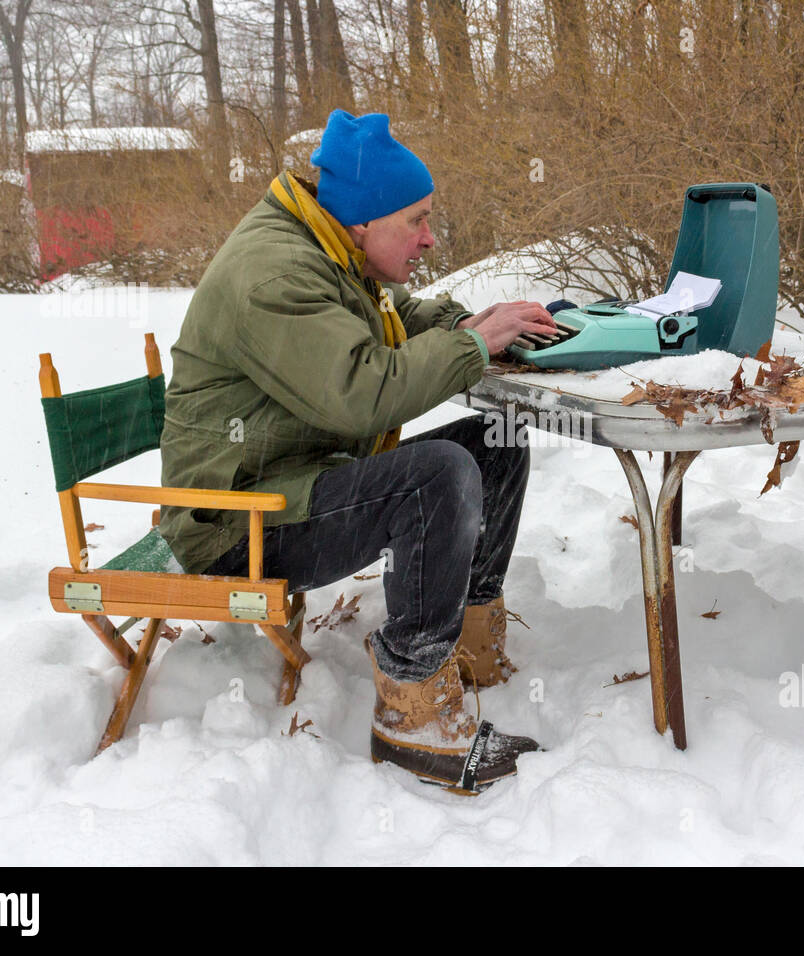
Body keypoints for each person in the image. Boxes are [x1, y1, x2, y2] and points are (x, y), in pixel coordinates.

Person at [158, 108, 558, 792]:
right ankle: (414, 716)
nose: (430, 238)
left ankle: (465, 646)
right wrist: (471, 346)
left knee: (495, 441)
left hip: (286, 484)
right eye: (417, 220)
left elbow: (389, 318)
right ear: (365, 222)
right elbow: (360, 390)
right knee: (437, 477)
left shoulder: (326, 247)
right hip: (233, 523)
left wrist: (467, 323)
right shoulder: (275, 274)